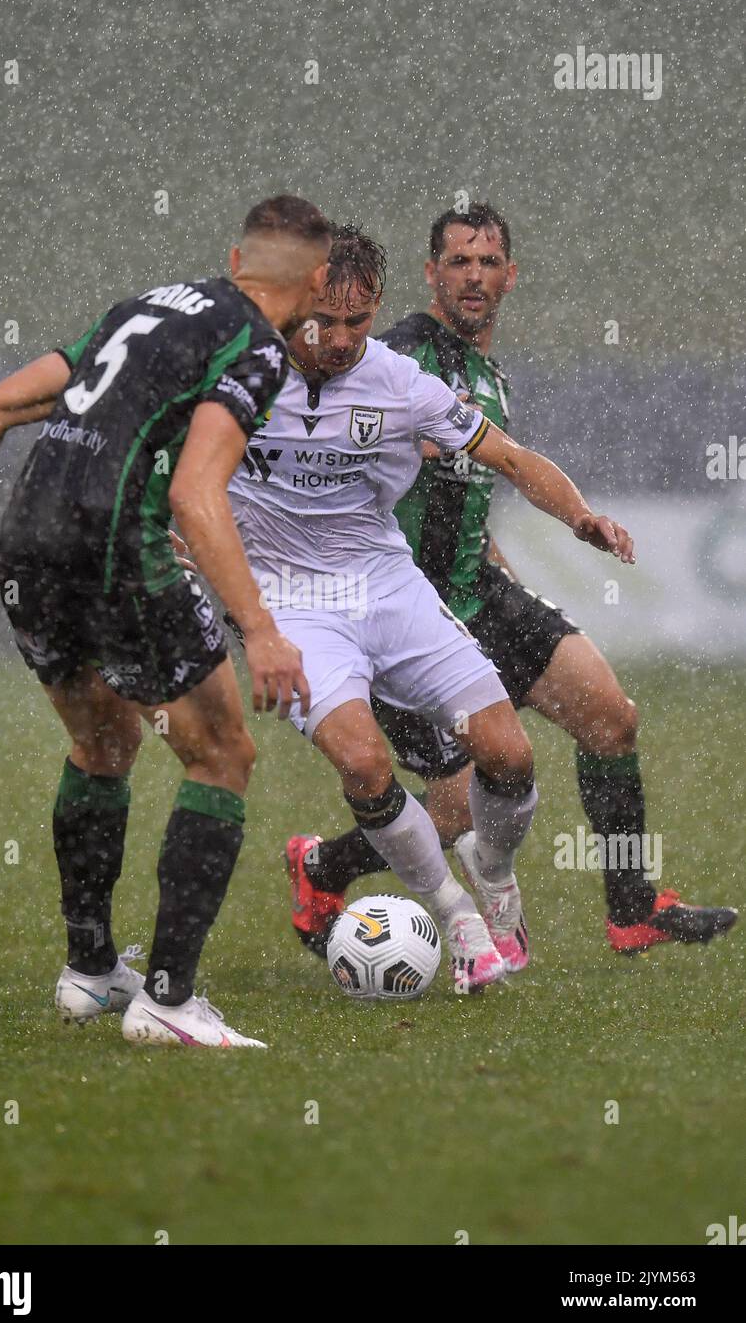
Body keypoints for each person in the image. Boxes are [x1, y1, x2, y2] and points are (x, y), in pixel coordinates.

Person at [0, 194, 332, 1048]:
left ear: (235, 256)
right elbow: (195, 491)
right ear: (318, 282)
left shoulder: (143, 308)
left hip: (27, 544)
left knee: (103, 747)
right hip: (110, 551)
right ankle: (170, 1003)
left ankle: (91, 972)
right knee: (221, 755)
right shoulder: (254, 346)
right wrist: (261, 631)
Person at [294, 204, 737, 960]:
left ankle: (631, 909)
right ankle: (323, 867)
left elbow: (474, 485)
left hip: (478, 589)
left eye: (488, 262)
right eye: (458, 262)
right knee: (455, 810)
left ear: (510, 275)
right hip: (405, 603)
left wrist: (529, 553)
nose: (474, 277)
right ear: (431, 273)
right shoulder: (397, 351)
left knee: (611, 716)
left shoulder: (488, 374)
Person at [226, 226, 634, 993]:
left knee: (509, 756)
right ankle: (458, 918)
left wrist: (582, 519)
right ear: (295, 303)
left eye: (360, 320)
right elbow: (166, 462)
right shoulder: (237, 376)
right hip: (294, 607)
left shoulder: (399, 381)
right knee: (363, 761)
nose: (343, 339)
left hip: (388, 585)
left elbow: (511, 459)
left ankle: (494, 869)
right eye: (326, 320)